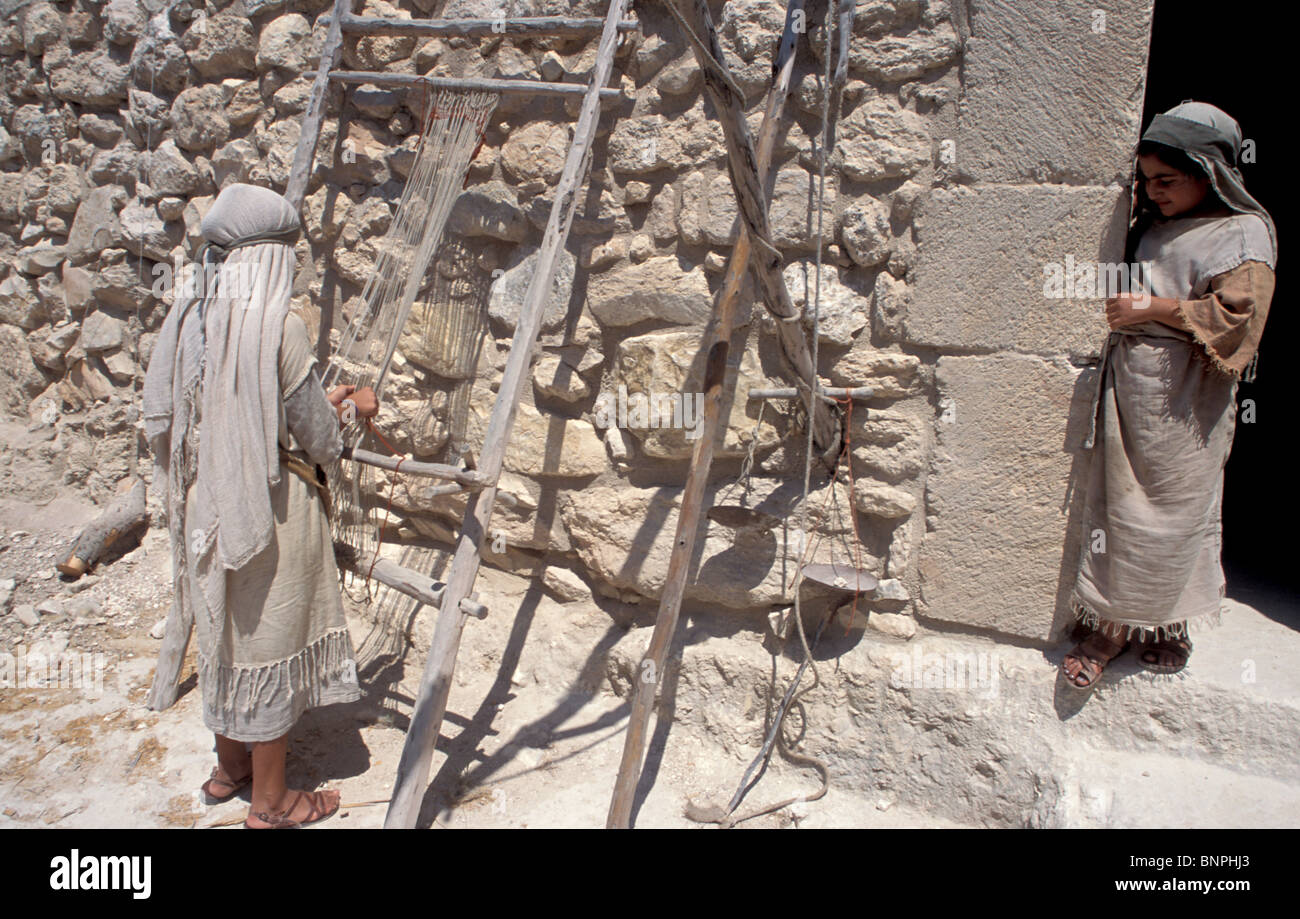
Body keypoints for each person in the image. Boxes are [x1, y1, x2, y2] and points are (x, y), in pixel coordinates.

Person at [143, 183, 380, 826]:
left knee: (222, 630)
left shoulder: (191, 314)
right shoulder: (280, 326)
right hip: (271, 506)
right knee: (268, 639)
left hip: (210, 499)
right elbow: (320, 440)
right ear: (269, 257)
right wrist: (353, 409)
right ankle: (273, 803)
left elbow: (213, 405)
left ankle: (230, 769)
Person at [1062, 102, 1278, 690]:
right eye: (1146, 181)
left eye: (1167, 180)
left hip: (1189, 400)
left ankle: (1166, 625)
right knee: (1120, 508)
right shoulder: (1153, 229)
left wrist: (1155, 309)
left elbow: (1242, 317)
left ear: (1211, 175)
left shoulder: (1243, 233)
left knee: (1177, 512)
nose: (1153, 193)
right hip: (1132, 390)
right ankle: (1111, 626)